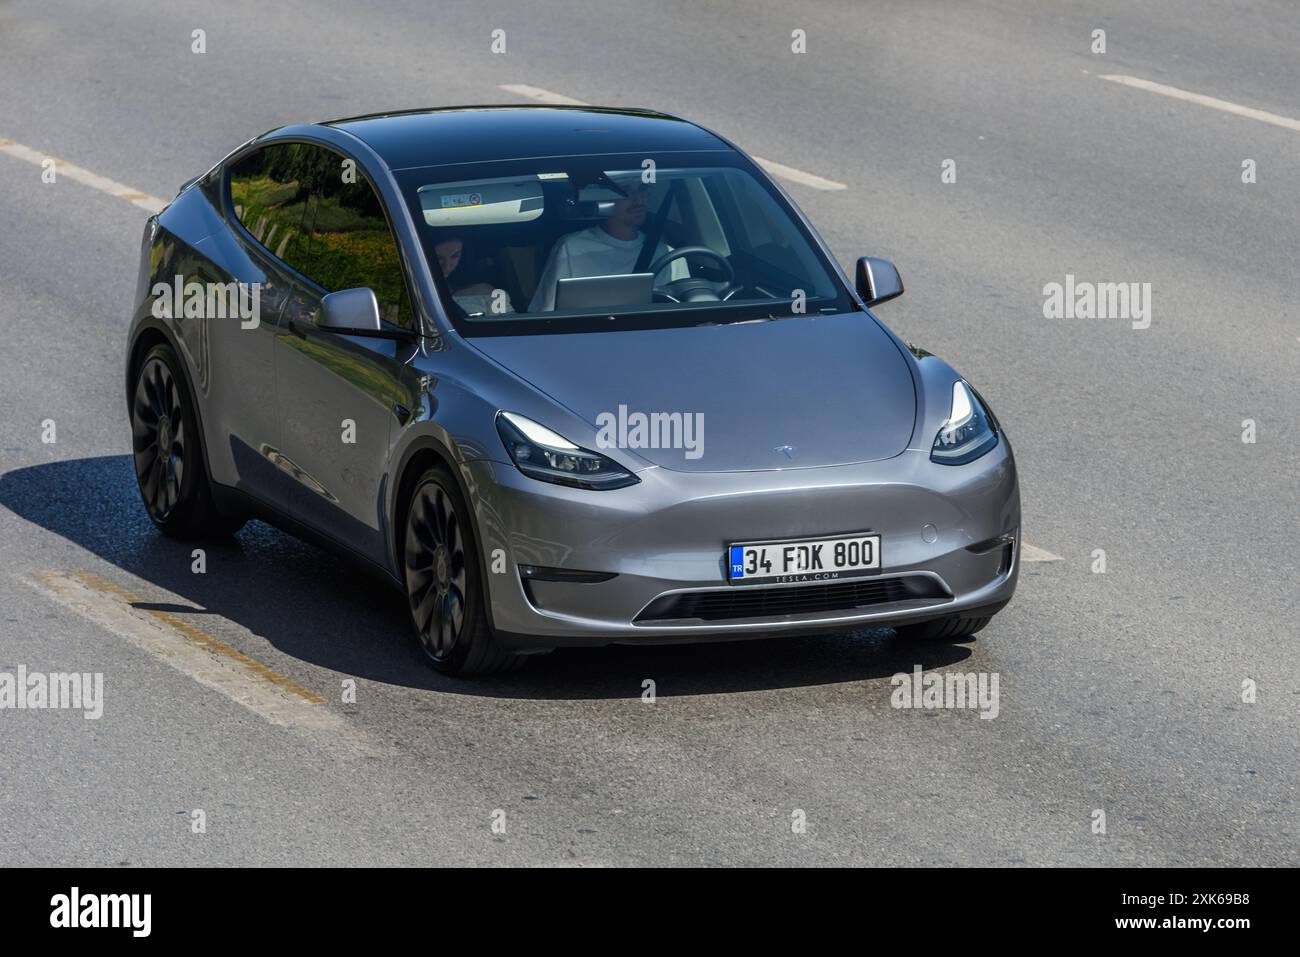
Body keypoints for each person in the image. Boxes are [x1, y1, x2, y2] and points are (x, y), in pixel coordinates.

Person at [527, 177, 689, 312]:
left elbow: (686, 314)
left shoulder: (669, 255)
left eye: (642, 189)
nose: (639, 200)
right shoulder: (572, 248)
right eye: (626, 191)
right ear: (603, 196)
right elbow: (547, 316)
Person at [433, 236, 514, 316]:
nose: (447, 265)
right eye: (439, 258)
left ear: (463, 257)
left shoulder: (487, 293)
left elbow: (510, 324)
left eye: (454, 256)